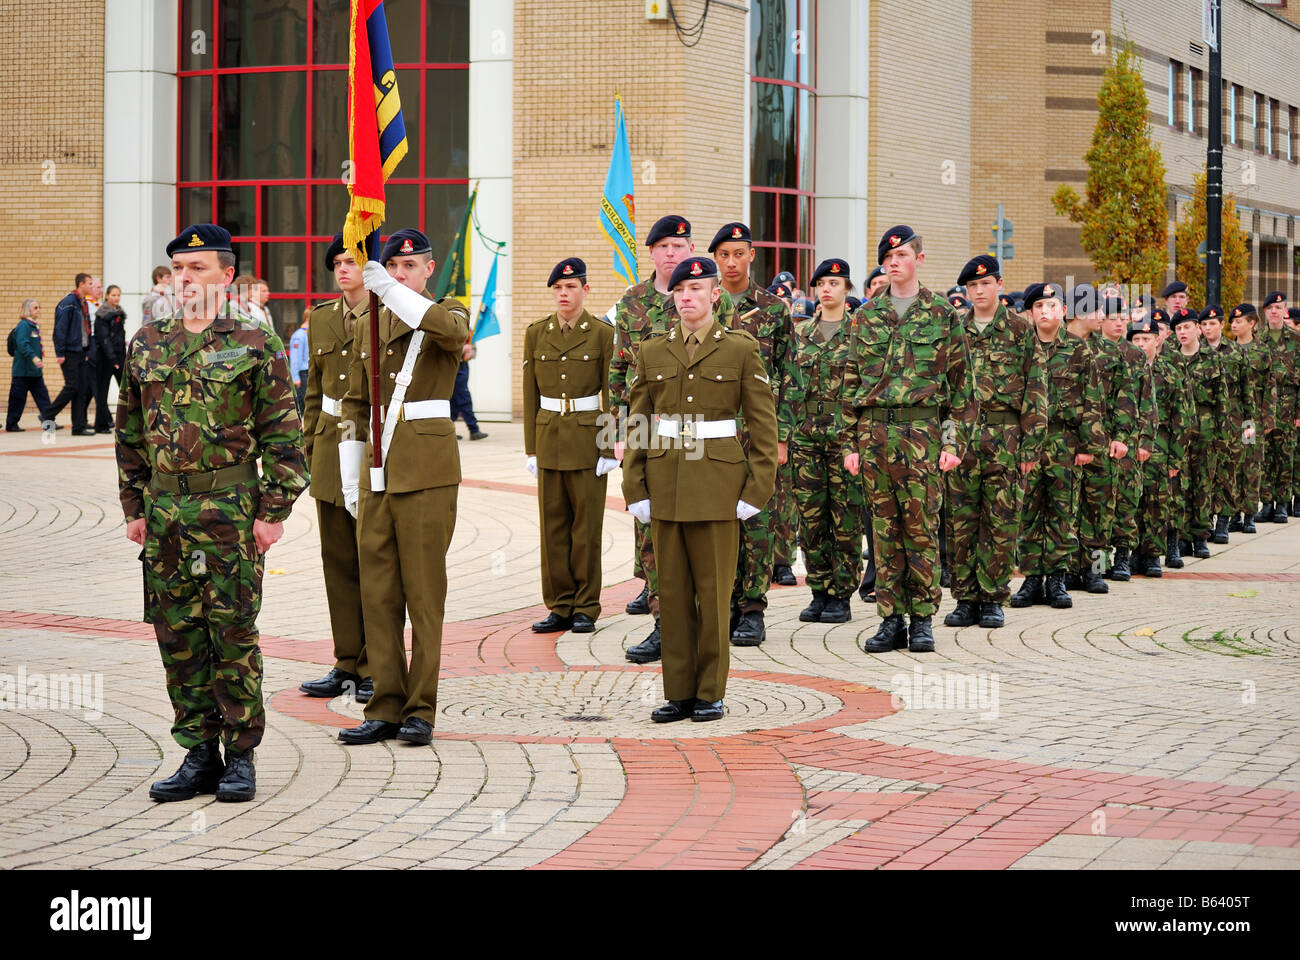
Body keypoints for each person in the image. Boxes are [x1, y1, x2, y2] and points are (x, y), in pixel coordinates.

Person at [117, 222, 307, 803]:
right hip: (166, 514)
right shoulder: (147, 342)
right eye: (178, 269)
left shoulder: (255, 344)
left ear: (227, 277)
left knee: (232, 632)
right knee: (177, 633)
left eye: (197, 269)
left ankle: (240, 755)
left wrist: (272, 512)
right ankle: (198, 752)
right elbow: (129, 433)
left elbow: (285, 439)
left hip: (229, 511)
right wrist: (134, 504)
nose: (184, 279)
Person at [622, 256, 777, 723]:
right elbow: (638, 423)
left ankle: (710, 691)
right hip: (666, 482)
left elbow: (762, 425)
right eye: (679, 289)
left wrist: (756, 489)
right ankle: (679, 691)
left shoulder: (740, 349)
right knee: (671, 592)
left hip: (717, 483)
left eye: (696, 288)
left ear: (715, 295)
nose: (686, 296)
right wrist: (635, 487)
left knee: (712, 594)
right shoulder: (652, 351)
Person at [336, 228, 470, 747]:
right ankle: (384, 704)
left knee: (423, 593)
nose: (399, 275)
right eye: (392, 268)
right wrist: (351, 468)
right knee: (378, 592)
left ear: (428, 270)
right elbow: (352, 401)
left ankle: (421, 708)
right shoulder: (369, 325)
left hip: (427, 472)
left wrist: (391, 293)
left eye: (410, 267)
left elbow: (447, 331)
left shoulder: (448, 310)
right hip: (377, 474)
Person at [843, 226, 976, 653]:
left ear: (919, 258)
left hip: (922, 437)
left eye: (901, 254)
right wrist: (849, 444)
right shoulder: (865, 316)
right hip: (874, 436)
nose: (893, 261)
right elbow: (848, 384)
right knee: (883, 534)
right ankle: (890, 619)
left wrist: (953, 446)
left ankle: (922, 619)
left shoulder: (942, 314)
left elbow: (962, 390)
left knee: (920, 531)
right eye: (887, 256)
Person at [942, 255, 1046, 630]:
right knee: (961, 521)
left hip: (1006, 438)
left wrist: (1032, 446)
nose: (979, 291)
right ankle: (965, 597)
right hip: (963, 440)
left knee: (1000, 522)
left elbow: (1036, 388)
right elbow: (945, 388)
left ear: (999, 285)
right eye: (972, 286)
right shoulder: (956, 329)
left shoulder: (1020, 330)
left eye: (985, 284)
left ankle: (992, 597)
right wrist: (947, 442)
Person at [610, 214, 695, 665]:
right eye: (661, 246)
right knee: (651, 529)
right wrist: (616, 435)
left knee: (699, 526)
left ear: (690, 249)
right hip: (648, 431)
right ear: (652, 253)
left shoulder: (704, 296)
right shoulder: (633, 302)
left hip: (698, 433)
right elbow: (618, 371)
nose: (669, 253)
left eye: (677, 246)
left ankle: (706, 620)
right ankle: (664, 624)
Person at [522, 257, 617, 634]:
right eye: (559, 288)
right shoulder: (536, 333)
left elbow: (612, 393)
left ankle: (585, 606)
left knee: (586, 528)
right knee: (553, 527)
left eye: (571, 287)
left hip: (587, 440)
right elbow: (530, 394)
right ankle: (559, 605)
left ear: (585, 290)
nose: (564, 294)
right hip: (549, 438)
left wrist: (609, 448)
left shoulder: (601, 334)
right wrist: (531, 448)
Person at [298, 234, 373, 704]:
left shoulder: (387, 314)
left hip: (369, 445)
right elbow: (314, 386)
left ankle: (375, 665)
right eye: (338, 262)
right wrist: (309, 445)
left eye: (353, 261)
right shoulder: (323, 317)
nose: (344, 269)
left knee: (374, 564)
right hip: (330, 442)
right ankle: (347, 661)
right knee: (338, 563)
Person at [710, 222, 793, 642]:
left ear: (751, 256)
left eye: (738, 253)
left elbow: (789, 376)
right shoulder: (705, 304)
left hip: (758, 433)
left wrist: (781, 438)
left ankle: (753, 608)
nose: (730, 262)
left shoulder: (774, 310)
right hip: (717, 433)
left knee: (758, 520)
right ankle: (723, 603)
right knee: (720, 520)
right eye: (723, 254)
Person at [1009, 284, 1104, 609]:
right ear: (1031, 313)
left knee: (1063, 513)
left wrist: (1088, 444)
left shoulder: (1078, 350)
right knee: (1029, 513)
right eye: (1038, 307)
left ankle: (1058, 579)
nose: (1045, 312)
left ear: (1063, 311)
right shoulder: (1022, 348)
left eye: (1051, 305)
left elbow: (1092, 399)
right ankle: (1032, 580)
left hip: (1065, 441)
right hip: (1029, 444)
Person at [784, 258, 863, 625]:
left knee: (845, 518)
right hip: (805, 435)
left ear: (847, 289)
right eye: (822, 283)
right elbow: (787, 386)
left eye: (835, 282)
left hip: (844, 436)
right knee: (811, 518)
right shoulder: (800, 335)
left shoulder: (861, 333)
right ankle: (818, 590)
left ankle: (841, 594)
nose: (827, 288)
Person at [1129, 311, 1188, 577]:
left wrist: (1175, 458)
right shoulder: (1124, 370)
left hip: (1160, 446)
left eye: (1146, 339)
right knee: (1129, 501)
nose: (1141, 344)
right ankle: (1129, 551)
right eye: (1136, 339)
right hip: (1129, 442)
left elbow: (1182, 419)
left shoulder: (1172, 373)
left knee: (1155, 501)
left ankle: (1152, 554)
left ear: (1157, 340)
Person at [1099, 296, 1153, 580]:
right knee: (1097, 502)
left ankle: (1122, 556)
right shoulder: (1092, 352)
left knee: (1127, 500)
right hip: (1099, 437)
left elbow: (1147, 401)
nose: (1119, 322)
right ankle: (1098, 562)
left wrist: (1145, 441)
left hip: (1129, 439)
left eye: (1123, 317)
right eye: (1112, 317)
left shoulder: (1136, 355)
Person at [1172, 306, 1224, 558]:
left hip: (1206, 430)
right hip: (1179, 433)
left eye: (1187, 327)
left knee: (1203, 483)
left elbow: (1222, 399)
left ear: (1198, 329)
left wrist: (1223, 435)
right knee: (1180, 484)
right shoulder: (1170, 359)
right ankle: (1181, 536)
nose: (1182, 332)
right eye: (1178, 328)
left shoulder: (1212, 359)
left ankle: (1201, 535)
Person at [1203, 304, 1254, 544]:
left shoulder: (1235, 352)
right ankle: (1207, 520)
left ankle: (1224, 519)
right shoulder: (1197, 352)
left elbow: (1247, 390)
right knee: (1206, 472)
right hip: (1205, 423)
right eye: (1204, 324)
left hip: (1232, 421)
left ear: (1222, 325)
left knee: (1228, 472)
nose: (1208, 328)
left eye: (1212, 323)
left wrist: (1249, 422)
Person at [1228, 302, 1272, 534]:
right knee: (1232, 465)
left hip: (1251, 419)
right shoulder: (1227, 351)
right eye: (1233, 322)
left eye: (1239, 321)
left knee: (1251, 466)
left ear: (1252, 323)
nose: (1235, 325)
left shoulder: (1263, 352)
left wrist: (1268, 418)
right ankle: (1233, 512)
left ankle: (1249, 514)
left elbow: (1270, 387)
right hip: (1231, 418)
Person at [1260, 292, 1297, 523]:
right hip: (1264, 405)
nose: (1274, 311)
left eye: (1278, 307)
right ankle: (1266, 503)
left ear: (1285, 311)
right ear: (1264, 312)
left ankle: (1283, 502)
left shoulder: (1296, 339)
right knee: (1264, 455)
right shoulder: (1257, 340)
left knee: (1284, 455)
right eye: (1270, 307)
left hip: (1288, 403)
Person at [46, 272, 96, 435]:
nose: (91, 286)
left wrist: (87, 350)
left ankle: (78, 426)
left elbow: (85, 328)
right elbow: (60, 329)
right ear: (80, 284)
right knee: (72, 386)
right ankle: (48, 414)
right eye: (89, 283)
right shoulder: (68, 303)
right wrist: (59, 352)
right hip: (69, 352)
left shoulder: (83, 303)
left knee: (81, 389)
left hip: (81, 352)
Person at [6, 299, 54, 432]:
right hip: (22, 371)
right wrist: (34, 358)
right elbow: (22, 344)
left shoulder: (33, 326)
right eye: (36, 308)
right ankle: (11, 424)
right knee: (17, 399)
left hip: (34, 372)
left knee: (43, 398)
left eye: (39, 308)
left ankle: (49, 423)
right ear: (28, 310)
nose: (38, 310)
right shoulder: (24, 325)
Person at [91, 285, 127, 433]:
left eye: (118, 295)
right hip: (106, 359)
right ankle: (100, 425)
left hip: (119, 357)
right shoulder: (102, 315)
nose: (116, 298)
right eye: (113, 295)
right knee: (102, 392)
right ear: (106, 296)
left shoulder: (119, 313)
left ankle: (128, 424)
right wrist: (112, 359)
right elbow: (104, 339)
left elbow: (120, 337)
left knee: (126, 390)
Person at [451, 339, 488, 441]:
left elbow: (473, 349)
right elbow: (447, 346)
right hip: (452, 366)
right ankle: (473, 430)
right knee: (462, 399)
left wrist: (471, 353)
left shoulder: (470, 332)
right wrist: (461, 350)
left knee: (456, 399)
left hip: (463, 366)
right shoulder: (454, 327)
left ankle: (449, 431)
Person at [288, 306, 310, 412]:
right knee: (303, 405)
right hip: (303, 374)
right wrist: (295, 377)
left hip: (309, 372)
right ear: (307, 318)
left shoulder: (309, 333)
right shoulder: (300, 335)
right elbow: (296, 358)